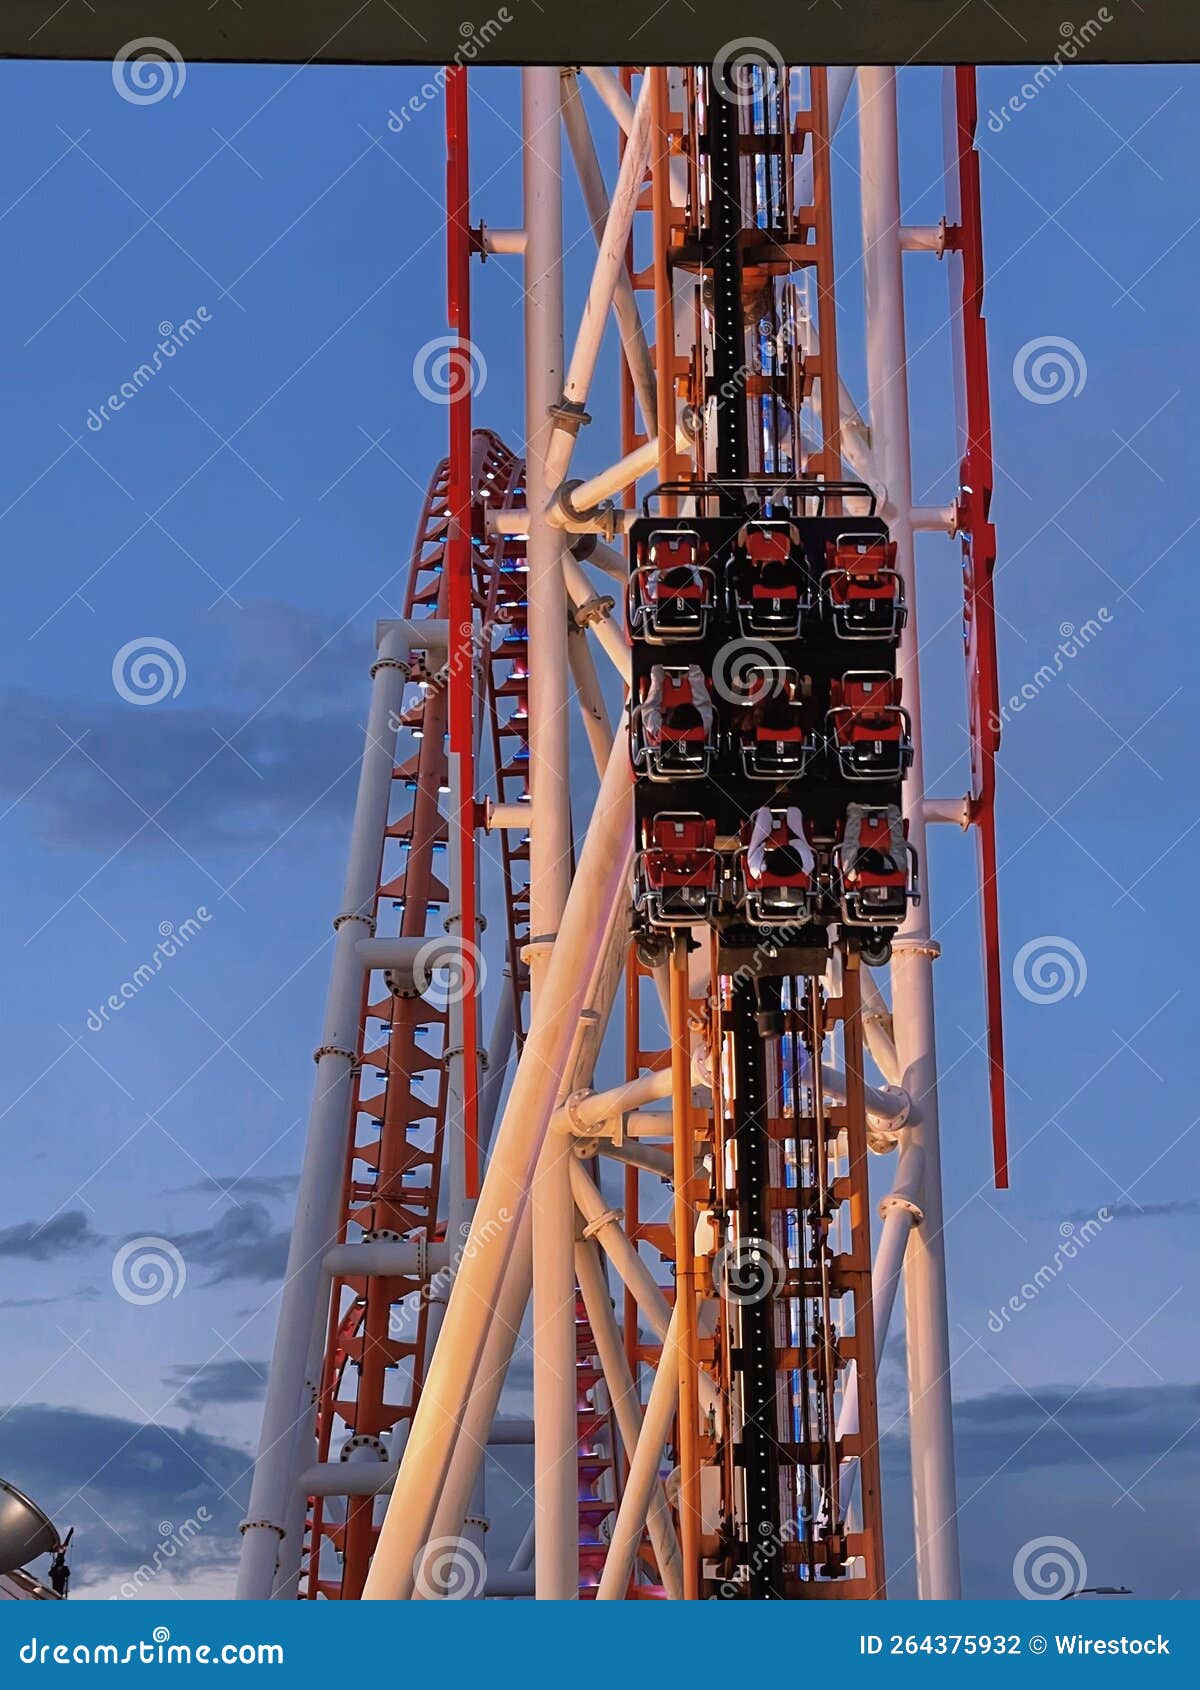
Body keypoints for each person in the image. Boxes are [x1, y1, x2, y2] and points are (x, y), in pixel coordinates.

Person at [747, 805, 815, 880]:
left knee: (756, 843)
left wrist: (763, 813)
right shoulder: (807, 866)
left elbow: (756, 842)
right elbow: (800, 845)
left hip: (766, 878)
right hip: (795, 884)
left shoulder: (757, 870)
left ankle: (766, 815)